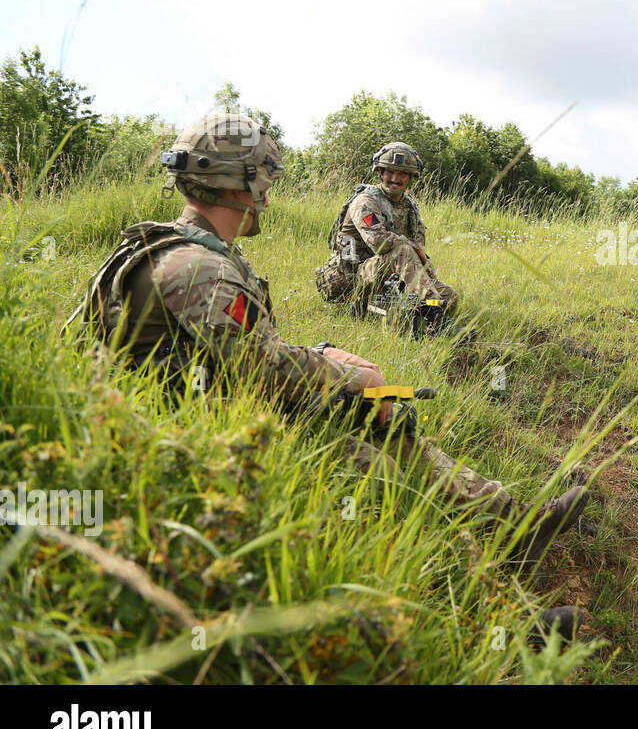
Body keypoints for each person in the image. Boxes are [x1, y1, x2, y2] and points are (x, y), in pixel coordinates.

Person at [71, 113, 587, 577]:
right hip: (186, 444)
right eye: (264, 181)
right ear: (240, 184)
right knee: (380, 475)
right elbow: (261, 368)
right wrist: (350, 376)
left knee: (389, 423)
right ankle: (489, 613)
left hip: (215, 410)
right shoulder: (198, 268)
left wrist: (326, 360)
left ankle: (520, 530)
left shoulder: (194, 252)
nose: (268, 197)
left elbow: (239, 352)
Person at [314, 142, 460, 337]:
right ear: (380, 172)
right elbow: (378, 242)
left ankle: (411, 315)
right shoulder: (364, 202)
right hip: (357, 278)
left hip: (389, 280)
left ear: (411, 177)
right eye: (389, 172)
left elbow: (419, 248)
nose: (395, 179)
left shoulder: (410, 208)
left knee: (449, 297)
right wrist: (411, 248)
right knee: (403, 250)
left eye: (402, 174)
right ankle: (435, 321)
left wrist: (429, 276)